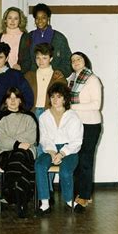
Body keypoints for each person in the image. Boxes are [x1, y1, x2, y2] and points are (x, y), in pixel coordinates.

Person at [35, 83, 83, 216]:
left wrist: (62, 153)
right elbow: (44, 138)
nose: (55, 100)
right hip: (50, 149)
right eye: (52, 97)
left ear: (64, 99)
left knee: (65, 171)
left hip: (69, 150)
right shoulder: (44, 116)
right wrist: (51, 152)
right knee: (39, 165)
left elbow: (76, 141)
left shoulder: (73, 116)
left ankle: (69, 201)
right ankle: (44, 203)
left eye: (59, 97)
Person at [0, 87, 38, 218]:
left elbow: (31, 137)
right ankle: (22, 202)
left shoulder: (29, 116)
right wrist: (17, 144)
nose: (12, 101)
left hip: (26, 150)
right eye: (9, 98)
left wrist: (13, 140)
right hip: (4, 151)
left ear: (20, 100)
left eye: (16, 98)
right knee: (19, 157)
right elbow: (0, 139)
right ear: (5, 101)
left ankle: (10, 192)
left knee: (19, 156)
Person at [68, 52, 102, 213]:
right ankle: (79, 193)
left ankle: (84, 196)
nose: (75, 62)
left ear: (85, 61)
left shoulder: (92, 79)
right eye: (73, 60)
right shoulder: (71, 79)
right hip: (75, 124)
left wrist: (73, 107)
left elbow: (96, 104)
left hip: (90, 124)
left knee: (85, 161)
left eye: (78, 59)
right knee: (76, 160)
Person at [18, 3, 72, 77]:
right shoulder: (28, 37)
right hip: (33, 78)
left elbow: (68, 60)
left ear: (48, 18)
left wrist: (61, 71)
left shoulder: (59, 38)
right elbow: (23, 60)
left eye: (43, 17)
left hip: (53, 78)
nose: (40, 20)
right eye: (37, 18)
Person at [0, 42, 34, 117]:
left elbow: (28, 97)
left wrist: (20, 113)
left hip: (9, 116)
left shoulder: (16, 75)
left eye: (0, 57)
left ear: (7, 58)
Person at [24, 43, 66, 120]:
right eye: (38, 58)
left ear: (51, 58)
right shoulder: (29, 75)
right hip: (32, 112)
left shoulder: (58, 76)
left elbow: (63, 97)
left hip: (51, 113)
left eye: (44, 58)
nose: (40, 61)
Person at [0, 7, 28, 71]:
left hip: (20, 75)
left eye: (16, 18)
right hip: (2, 74)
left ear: (20, 21)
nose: (12, 21)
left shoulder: (26, 37)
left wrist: (21, 67)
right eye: (10, 18)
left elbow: (29, 59)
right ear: (5, 20)